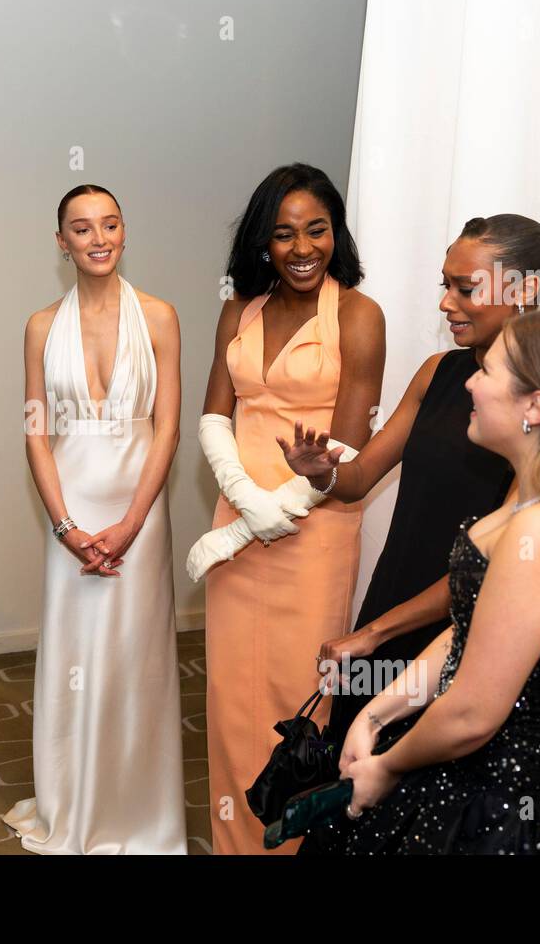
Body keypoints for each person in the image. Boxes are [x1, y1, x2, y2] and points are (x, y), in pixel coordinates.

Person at [302, 308, 540, 854]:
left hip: (510, 806)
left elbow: (473, 714)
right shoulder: (530, 501)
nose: (470, 381)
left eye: (489, 372)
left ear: (535, 407)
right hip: (468, 777)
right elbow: (471, 628)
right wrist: (379, 713)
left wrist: (387, 767)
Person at [280, 214, 540, 753]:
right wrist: (325, 472)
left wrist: (375, 633)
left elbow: (494, 567)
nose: (446, 302)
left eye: (466, 287)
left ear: (525, 290)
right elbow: (359, 478)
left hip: (469, 622)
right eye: (444, 285)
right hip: (397, 599)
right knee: (359, 771)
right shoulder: (438, 372)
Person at [197, 163, 385, 854]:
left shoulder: (360, 316)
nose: (303, 248)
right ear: (261, 243)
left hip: (315, 532)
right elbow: (215, 416)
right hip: (235, 530)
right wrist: (244, 505)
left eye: (317, 230)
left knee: (301, 701)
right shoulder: (237, 309)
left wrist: (274, 510)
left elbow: (352, 442)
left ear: (336, 232)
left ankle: (296, 846)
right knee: (229, 700)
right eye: (284, 235)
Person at [3, 185, 187, 854]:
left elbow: (166, 428)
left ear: (124, 231)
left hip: (140, 510)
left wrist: (134, 522)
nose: (98, 237)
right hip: (71, 512)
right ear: (62, 242)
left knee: (135, 657)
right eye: (81, 228)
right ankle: (72, 802)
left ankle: (139, 809)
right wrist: (64, 527)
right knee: (76, 652)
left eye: (109, 224)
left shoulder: (162, 317)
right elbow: (35, 432)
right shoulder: (40, 327)